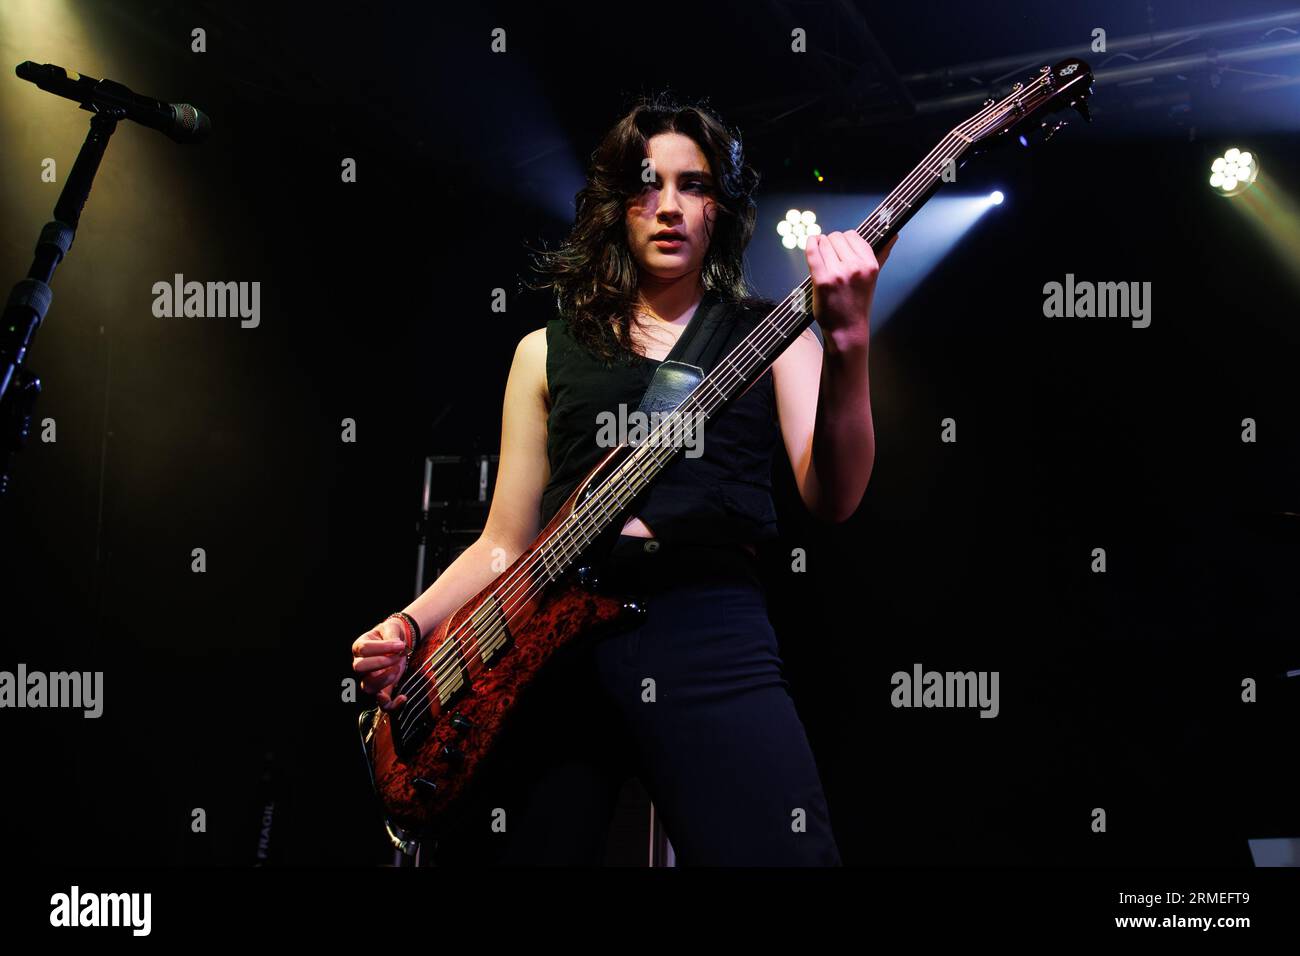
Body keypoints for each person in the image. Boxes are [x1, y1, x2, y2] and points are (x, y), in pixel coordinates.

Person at [350, 92, 896, 866]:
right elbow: (504, 545)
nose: (669, 205)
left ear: (720, 209)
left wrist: (848, 342)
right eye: (647, 183)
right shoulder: (543, 351)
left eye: (694, 185)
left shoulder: (775, 335)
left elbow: (833, 496)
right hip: (553, 649)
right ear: (616, 204)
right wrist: (408, 626)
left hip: (708, 628)